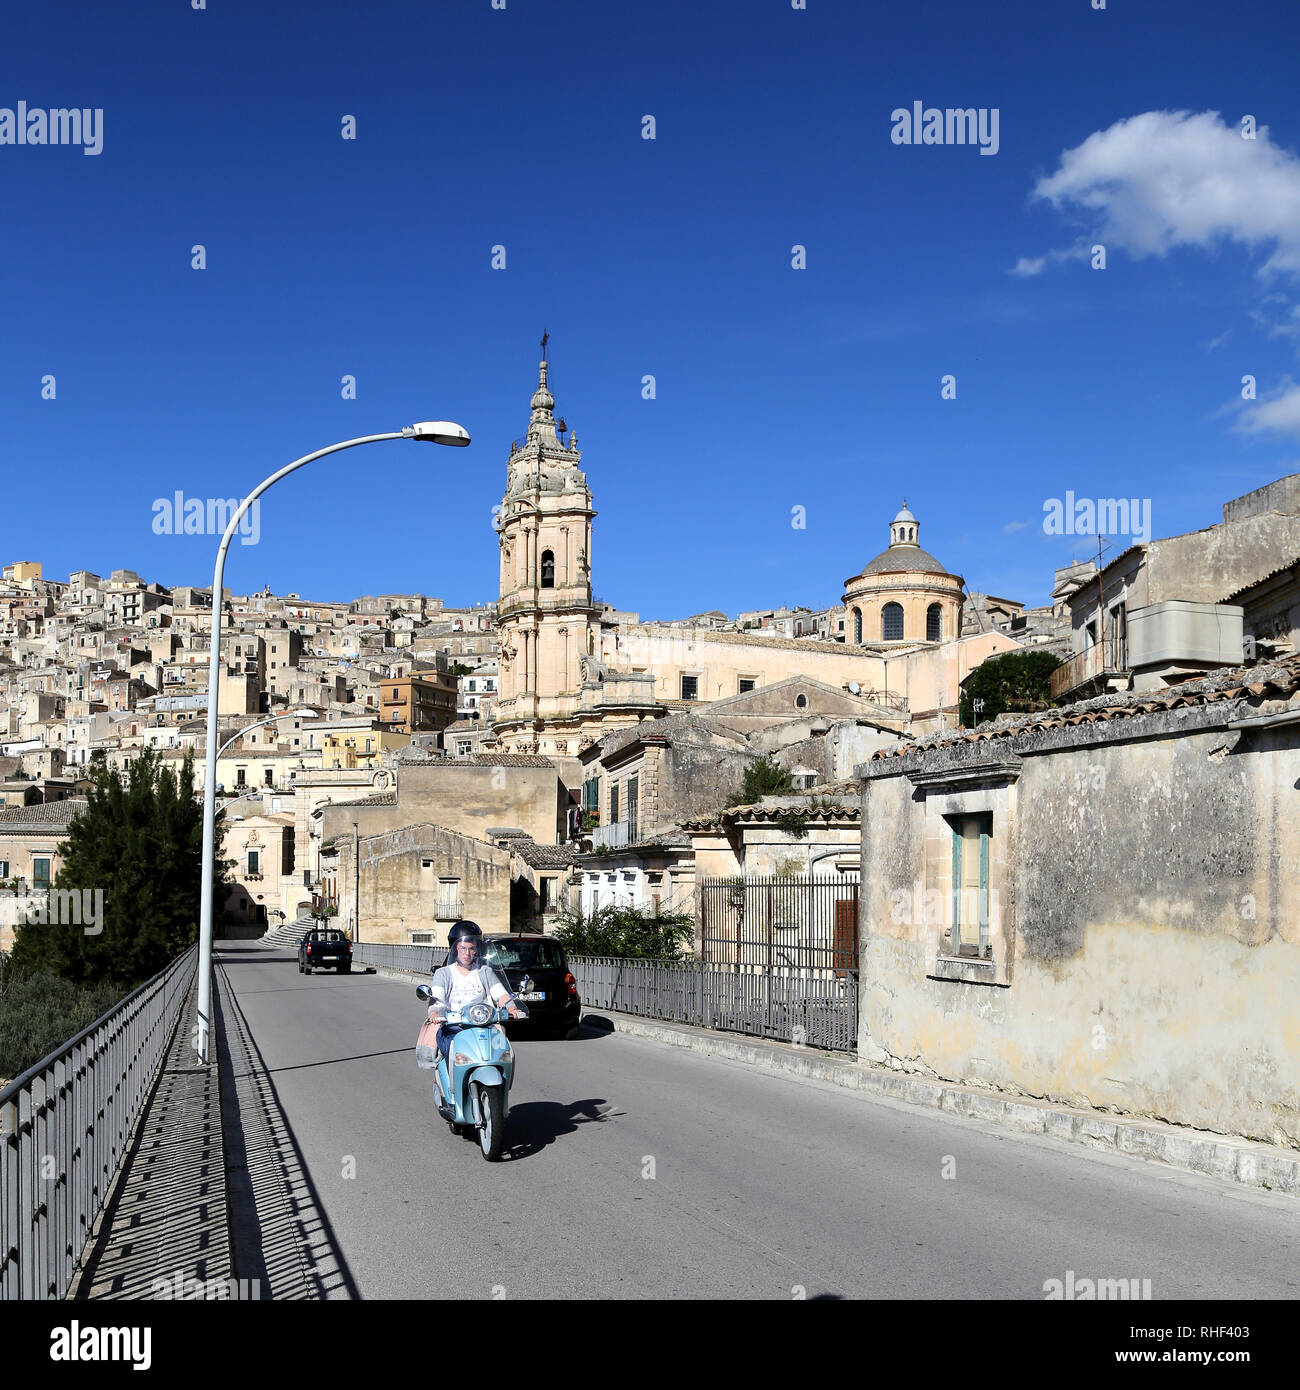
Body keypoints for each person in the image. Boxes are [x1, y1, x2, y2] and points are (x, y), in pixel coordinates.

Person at [427, 921, 522, 1074]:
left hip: (483, 1027)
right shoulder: (443, 973)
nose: (467, 953)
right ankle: (452, 1090)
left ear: (477, 949)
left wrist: (511, 1007)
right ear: (455, 948)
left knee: (504, 1052)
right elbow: (437, 999)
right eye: (463, 948)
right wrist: (435, 1012)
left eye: (471, 948)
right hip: (453, 1028)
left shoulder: (485, 971)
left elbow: (501, 994)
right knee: (454, 1050)